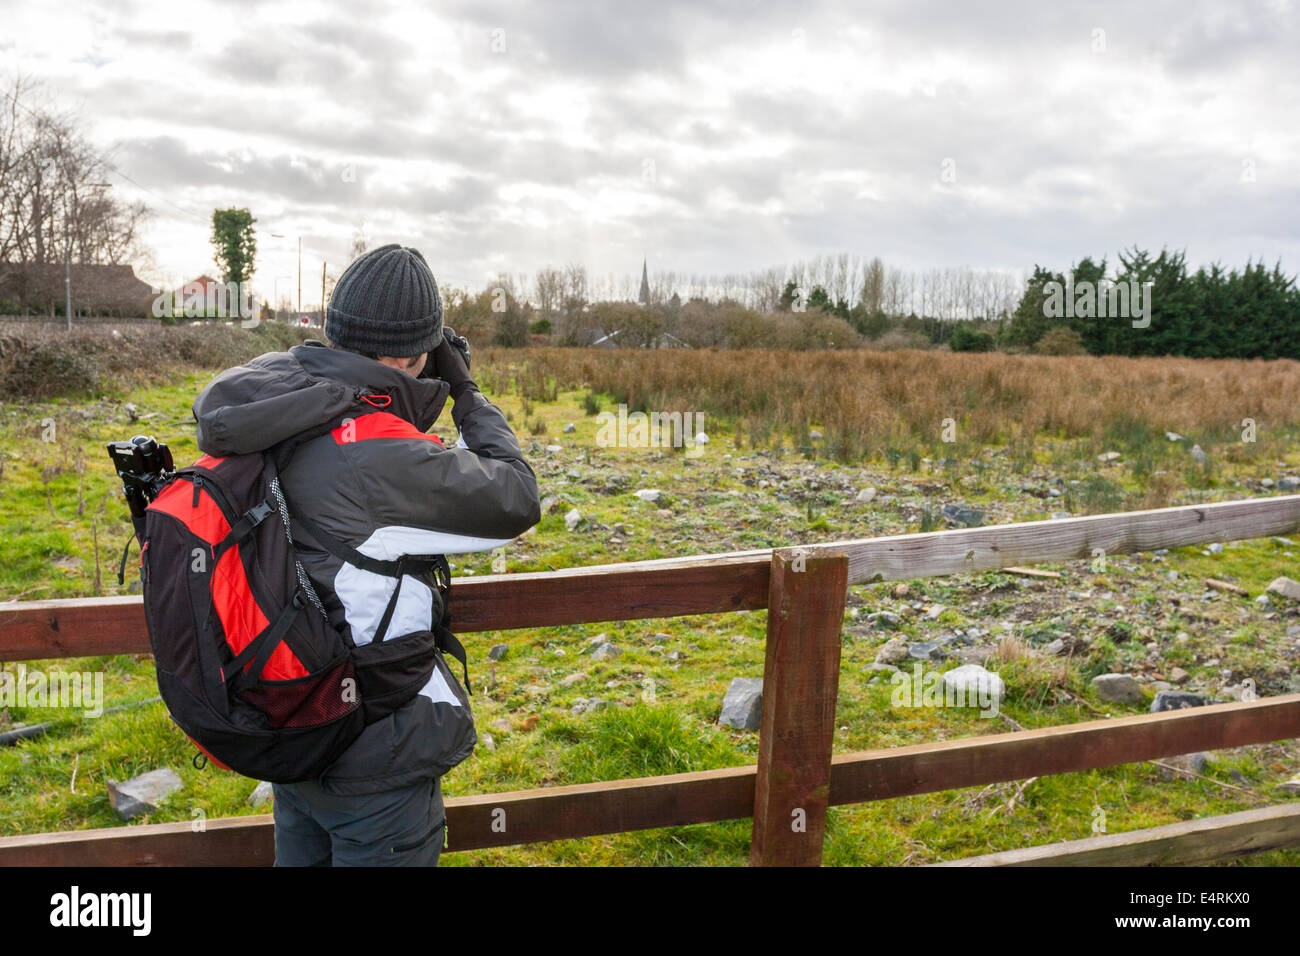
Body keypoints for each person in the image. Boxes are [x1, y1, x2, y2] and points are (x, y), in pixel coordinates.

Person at [191, 244, 541, 865]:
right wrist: (464, 389)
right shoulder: (378, 449)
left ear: (333, 330)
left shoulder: (272, 409)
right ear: (415, 353)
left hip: (291, 720)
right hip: (372, 753)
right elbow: (514, 497)